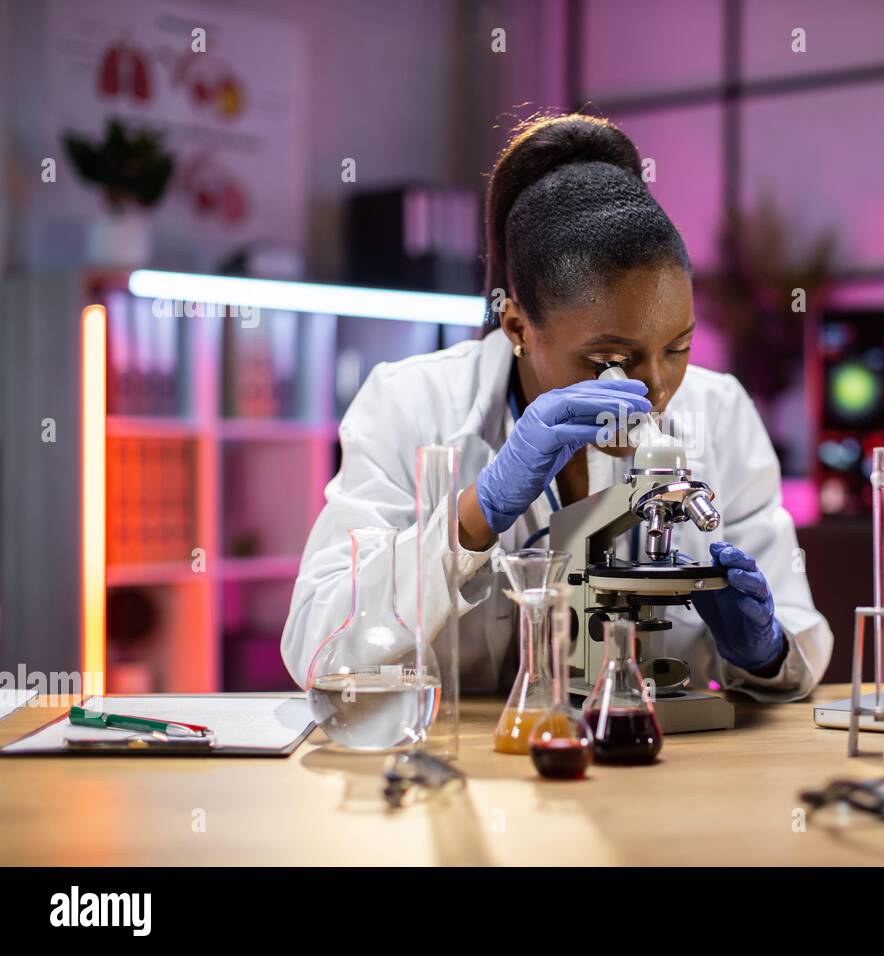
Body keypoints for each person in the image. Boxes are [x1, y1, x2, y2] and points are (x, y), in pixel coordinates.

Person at [281, 112, 831, 701]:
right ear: (518, 324)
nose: (656, 391)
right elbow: (318, 647)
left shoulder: (720, 411)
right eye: (611, 360)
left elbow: (799, 649)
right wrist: (473, 517)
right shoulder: (410, 404)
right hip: (468, 771)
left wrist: (766, 650)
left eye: (677, 348)